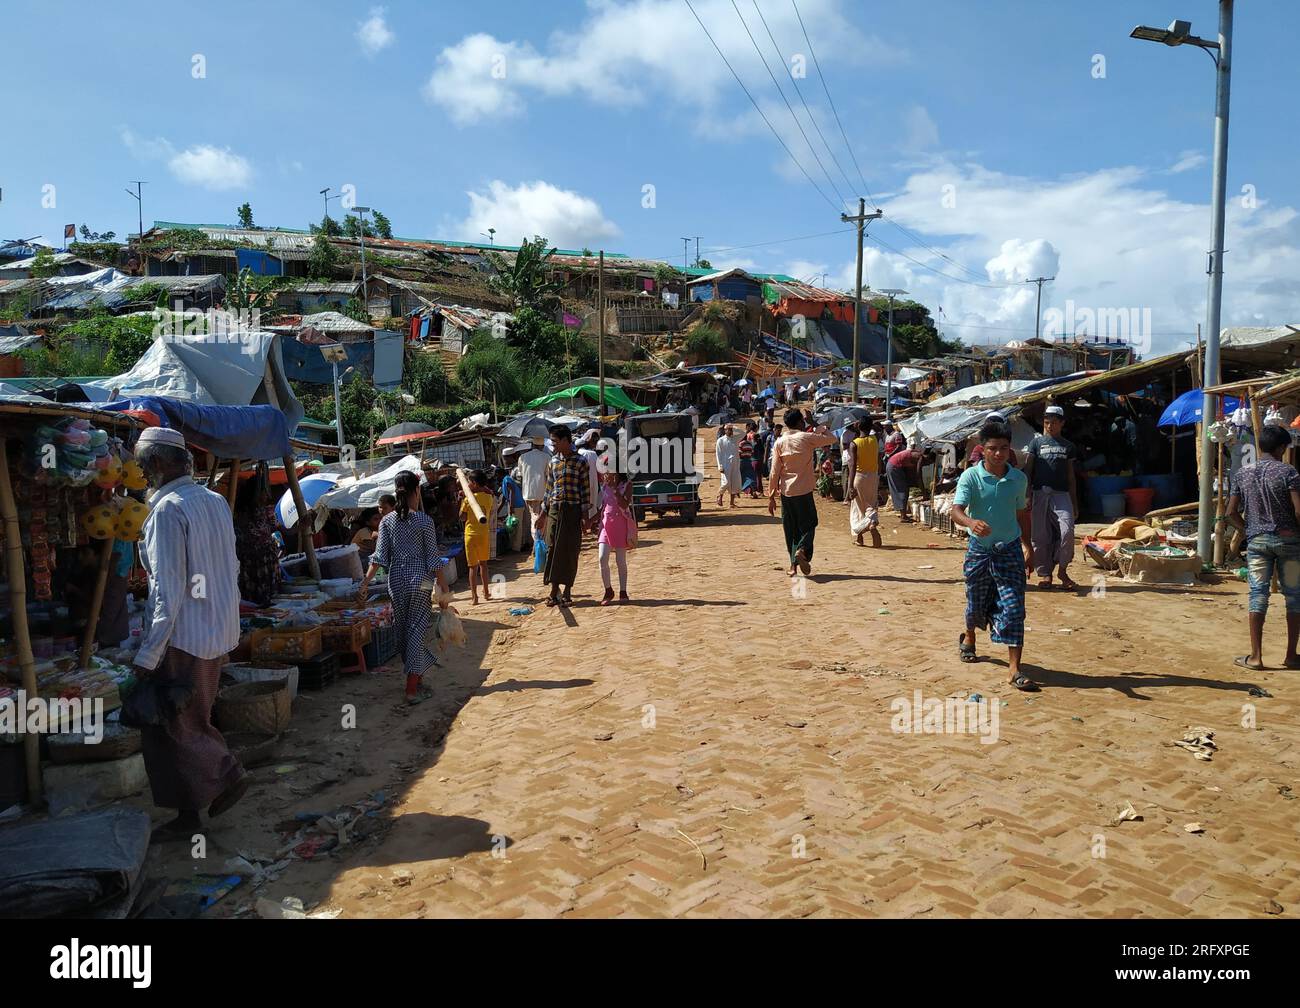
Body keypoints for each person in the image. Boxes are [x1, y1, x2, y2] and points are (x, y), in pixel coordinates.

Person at [132, 427, 247, 841]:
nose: (142, 474)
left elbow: (167, 589)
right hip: (213, 632)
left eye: (144, 465)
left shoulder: (167, 511)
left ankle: (224, 775)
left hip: (183, 637)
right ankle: (190, 810)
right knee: (188, 719)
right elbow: (230, 569)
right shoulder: (213, 501)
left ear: (160, 464)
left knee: (175, 726)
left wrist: (148, 654)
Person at [951, 421, 1036, 691]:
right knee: (976, 604)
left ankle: (1014, 670)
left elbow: (1022, 514)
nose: (998, 454)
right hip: (979, 550)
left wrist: (1028, 545)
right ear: (982, 450)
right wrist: (970, 522)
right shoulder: (970, 477)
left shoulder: (1018, 479)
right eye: (992, 449)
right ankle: (970, 636)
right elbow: (956, 510)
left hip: (1009, 549)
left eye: (1003, 448)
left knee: (1013, 608)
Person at [359, 471, 453, 704]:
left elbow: (379, 558)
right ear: (416, 490)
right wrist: (445, 588)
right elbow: (433, 560)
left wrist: (365, 583)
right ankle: (412, 689)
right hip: (421, 582)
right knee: (417, 631)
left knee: (403, 630)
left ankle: (417, 679)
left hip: (397, 582)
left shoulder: (387, 522)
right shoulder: (424, 521)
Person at [1226, 423, 1300, 671]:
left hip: (1257, 543)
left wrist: (1248, 530)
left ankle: (1256, 657)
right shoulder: (1288, 473)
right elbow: (1298, 510)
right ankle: (1291, 655)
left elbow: (1230, 513)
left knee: (1258, 596)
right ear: (1280, 448)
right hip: (1289, 541)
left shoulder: (1242, 474)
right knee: (1294, 598)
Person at [768, 408, 838, 577]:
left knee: (790, 529)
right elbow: (832, 439)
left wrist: (771, 496)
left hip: (786, 492)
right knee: (809, 524)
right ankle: (802, 550)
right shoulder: (806, 438)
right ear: (800, 422)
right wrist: (815, 424)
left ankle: (793, 566)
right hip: (804, 490)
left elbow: (774, 471)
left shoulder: (779, 442)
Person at [1023, 405, 1079, 590]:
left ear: (1062, 423)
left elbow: (1071, 476)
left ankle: (1062, 569)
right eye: (1047, 422)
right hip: (1039, 493)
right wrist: (1027, 494)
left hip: (1061, 495)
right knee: (1040, 536)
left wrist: (1074, 502)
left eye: (1054, 422)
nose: (1049, 426)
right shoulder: (1036, 444)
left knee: (1067, 531)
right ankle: (1045, 574)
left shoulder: (1068, 446)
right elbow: (1029, 470)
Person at [540, 425, 591, 607]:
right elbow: (548, 490)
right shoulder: (553, 462)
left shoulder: (581, 461)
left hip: (573, 510)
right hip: (555, 508)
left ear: (565, 440)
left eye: (554, 441)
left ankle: (568, 590)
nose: (552, 444)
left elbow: (585, 491)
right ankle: (554, 590)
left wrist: (585, 516)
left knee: (570, 550)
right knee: (552, 548)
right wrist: (542, 514)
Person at [597, 470, 635, 605]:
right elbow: (601, 506)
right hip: (606, 525)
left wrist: (614, 488)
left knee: (620, 560)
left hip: (621, 524)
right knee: (602, 558)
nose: (606, 472)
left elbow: (624, 504)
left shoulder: (627, 485)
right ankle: (608, 590)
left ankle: (623, 591)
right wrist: (589, 520)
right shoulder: (603, 486)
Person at [845, 420, 882, 547]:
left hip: (859, 477)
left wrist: (850, 487)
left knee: (857, 507)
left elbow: (853, 466)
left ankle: (860, 536)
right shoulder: (875, 439)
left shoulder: (854, 444)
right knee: (871, 504)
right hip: (873, 476)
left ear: (858, 426)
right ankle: (871, 524)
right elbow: (879, 430)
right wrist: (872, 424)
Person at [460, 469, 495, 605]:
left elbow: (462, 517)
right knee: (484, 565)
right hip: (483, 535)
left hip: (470, 535)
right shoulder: (489, 498)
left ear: (473, 483)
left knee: (472, 567)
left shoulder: (468, 499)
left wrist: (462, 499)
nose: (467, 485)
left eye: (469, 482)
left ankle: (474, 597)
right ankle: (486, 592)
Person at [885, 442, 934, 522]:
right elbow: (919, 476)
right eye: (929, 463)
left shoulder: (917, 455)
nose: (927, 465)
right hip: (894, 467)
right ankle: (903, 516)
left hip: (894, 465)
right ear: (928, 459)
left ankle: (903, 513)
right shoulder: (920, 458)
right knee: (902, 490)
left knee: (905, 488)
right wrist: (924, 493)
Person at [516, 437, 551, 543]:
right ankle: (538, 542)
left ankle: (537, 542)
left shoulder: (522, 457)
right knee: (541, 518)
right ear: (542, 446)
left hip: (528, 493)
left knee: (534, 517)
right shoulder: (546, 457)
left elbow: (519, 475)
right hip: (542, 493)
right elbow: (549, 476)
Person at [499, 454, 527, 552]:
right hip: (518, 504)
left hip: (516, 504)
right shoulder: (508, 479)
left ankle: (516, 547)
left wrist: (511, 506)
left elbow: (512, 492)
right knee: (518, 525)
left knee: (517, 526)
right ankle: (519, 544)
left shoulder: (507, 479)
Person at [577, 428, 603, 523]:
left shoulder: (576, 454)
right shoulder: (592, 454)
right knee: (592, 502)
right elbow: (599, 470)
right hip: (593, 483)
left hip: (580, 484)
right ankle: (591, 523)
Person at [715, 424, 741, 508]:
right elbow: (718, 454)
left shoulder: (735, 439)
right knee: (726, 482)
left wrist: (734, 426)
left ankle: (732, 503)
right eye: (727, 429)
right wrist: (720, 466)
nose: (729, 431)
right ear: (724, 430)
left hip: (735, 463)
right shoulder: (720, 440)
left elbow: (743, 433)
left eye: (731, 429)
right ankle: (720, 495)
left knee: (734, 483)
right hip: (725, 464)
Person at [738, 422, 759, 498]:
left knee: (741, 477)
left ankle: (740, 491)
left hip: (741, 462)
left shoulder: (740, 444)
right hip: (749, 461)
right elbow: (751, 453)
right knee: (750, 476)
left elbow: (739, 453)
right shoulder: (749, 444)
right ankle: (752, 490)